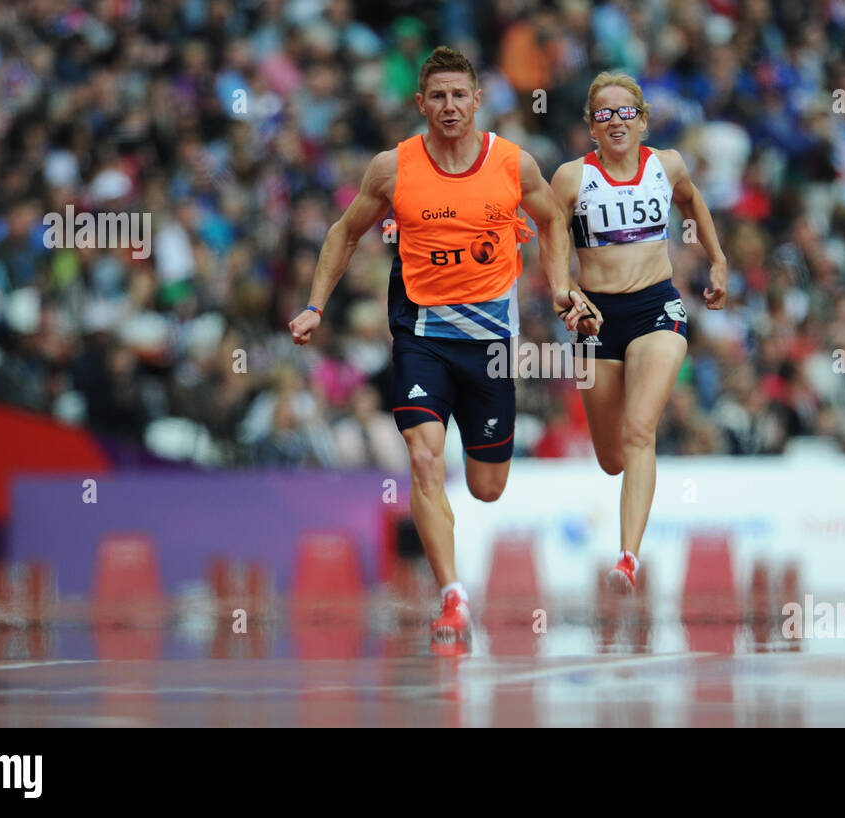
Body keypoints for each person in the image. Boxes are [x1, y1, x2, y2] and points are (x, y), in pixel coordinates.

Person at [288, 46, 601, 651]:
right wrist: (314, 305)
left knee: (487, 487)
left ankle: (457, 571)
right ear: (421, 103)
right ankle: (453, 596)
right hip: (422, 339)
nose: (450, 106)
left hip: (490, 348)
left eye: (460, 95)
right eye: (438, 96)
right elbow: (344, 231)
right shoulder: (393, 168)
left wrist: (562, 287)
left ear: (478, 100)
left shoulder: (513, 164)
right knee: (426, 459)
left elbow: (553, 219)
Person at [550, 71, 727, 592]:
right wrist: (564, 292)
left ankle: (627, 557)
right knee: (610, 458)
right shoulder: (570, 178)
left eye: (625, 111)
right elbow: (552, 237)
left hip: (657, 308)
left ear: (643, 120)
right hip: (595, 318)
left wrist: (718, 261)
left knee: (639, 430)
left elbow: (693, 201)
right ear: (592, 127)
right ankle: (628, 524)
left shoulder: (666, 165)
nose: (616, 121)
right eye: (603, 114)